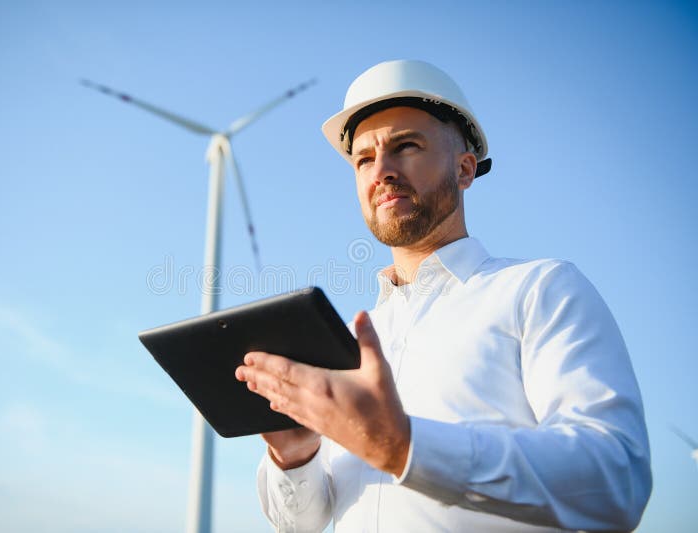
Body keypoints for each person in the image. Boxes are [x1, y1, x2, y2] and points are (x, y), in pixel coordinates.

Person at [234, 59, 652, 532]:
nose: (382, 171)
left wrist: (404, 446)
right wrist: (295, 454)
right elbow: (303, 526)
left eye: (405, 146)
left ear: (465, 168)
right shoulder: (349, 342)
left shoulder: (541, 290)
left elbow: (617, 480)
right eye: (364, 159)